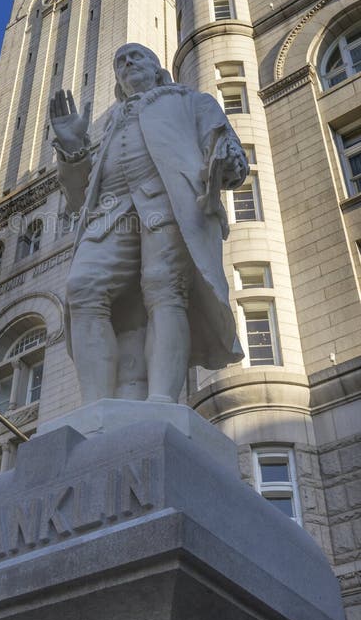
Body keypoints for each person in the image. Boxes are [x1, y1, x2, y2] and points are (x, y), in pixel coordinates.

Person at [49, 43, 248, 405]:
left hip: (169, 206)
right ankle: (95, 406)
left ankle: (161, 401)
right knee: (82, 288)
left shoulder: (190, 101)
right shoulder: (111, 124)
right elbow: (79, 200)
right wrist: (74, 147)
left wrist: (224, 161)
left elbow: (233, 159)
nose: (126, 64)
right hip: (112, 217)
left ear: (158, 71)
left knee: (164, 289)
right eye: (119, 62)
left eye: (135, 57)